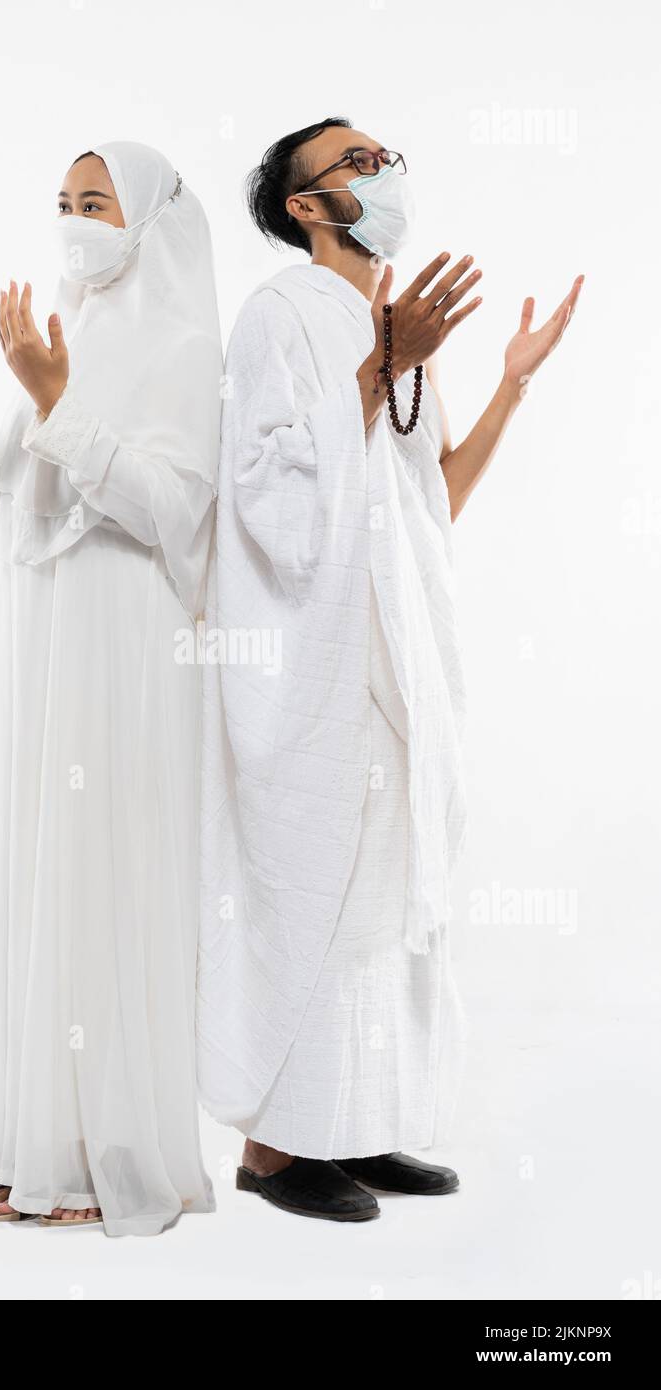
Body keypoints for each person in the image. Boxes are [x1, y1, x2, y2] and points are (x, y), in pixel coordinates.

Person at [198, 117, 582, 1221]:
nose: (383, 170)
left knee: (380, 904)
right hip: (316, 663)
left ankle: (355, 1130)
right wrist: (386, 362)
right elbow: (266, 496)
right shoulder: (278, 317)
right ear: (306, 207)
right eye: (353, 163)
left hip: (399, 660)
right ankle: (272, 1155)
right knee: (309, 892)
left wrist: (507, 380)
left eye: (382, 153)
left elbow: (432, 501)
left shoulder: (388, 325)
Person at [0, 141, 222, 1236]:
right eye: (65, 202)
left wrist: (58, 400)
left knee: (111, 869)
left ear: (146, 220)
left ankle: (111, 1152)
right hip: (42, 635)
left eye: (96, 201)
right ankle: (42, 1144)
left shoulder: (181, 346)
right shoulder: (66, 332)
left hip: (123, 636)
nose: (75, 220)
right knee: (47, 871)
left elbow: (176, 515)